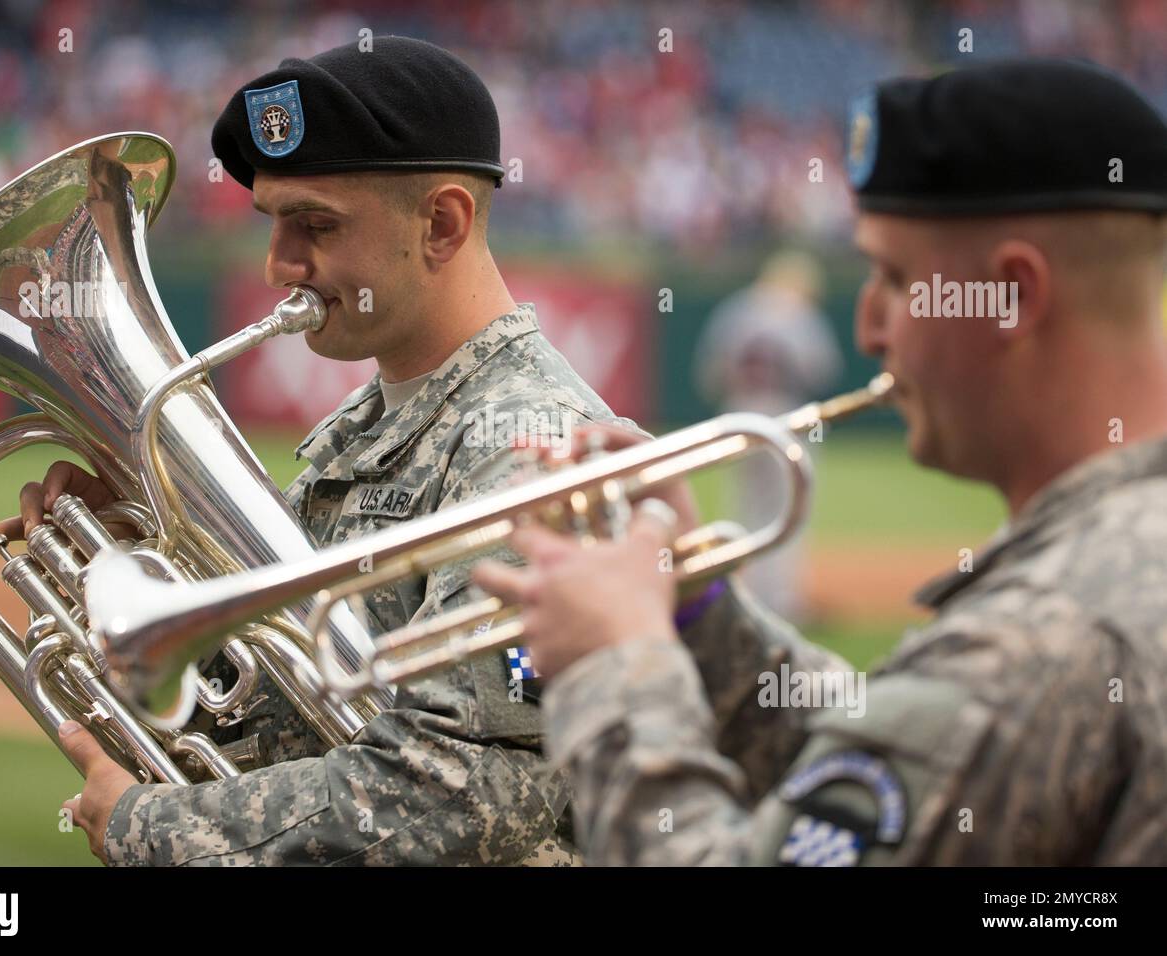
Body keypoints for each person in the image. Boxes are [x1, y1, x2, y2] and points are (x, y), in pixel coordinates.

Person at [473, 58, 1167, 865]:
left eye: (895, 278)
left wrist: (616, 665)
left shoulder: (1045, 639)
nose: (871, 329)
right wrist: (698, 611)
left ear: (1010, 295)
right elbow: (893, 752)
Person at [0, 36, 636, 866]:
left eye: (315, 224)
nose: (279, 263)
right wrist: (135, 569)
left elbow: (468, 788)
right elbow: (268, 713)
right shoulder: (365, 428)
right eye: (273, 220)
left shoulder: (536, 447)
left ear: (442, 224)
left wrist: (153, 830)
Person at [693, 249, 842, 621]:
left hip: (740, 414)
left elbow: (709, 372)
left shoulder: (736, 310)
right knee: (788, 509)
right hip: (785, 416)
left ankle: (742, 595)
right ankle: (782, 600)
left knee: (745, 508)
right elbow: (823, 370)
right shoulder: (801, 315)